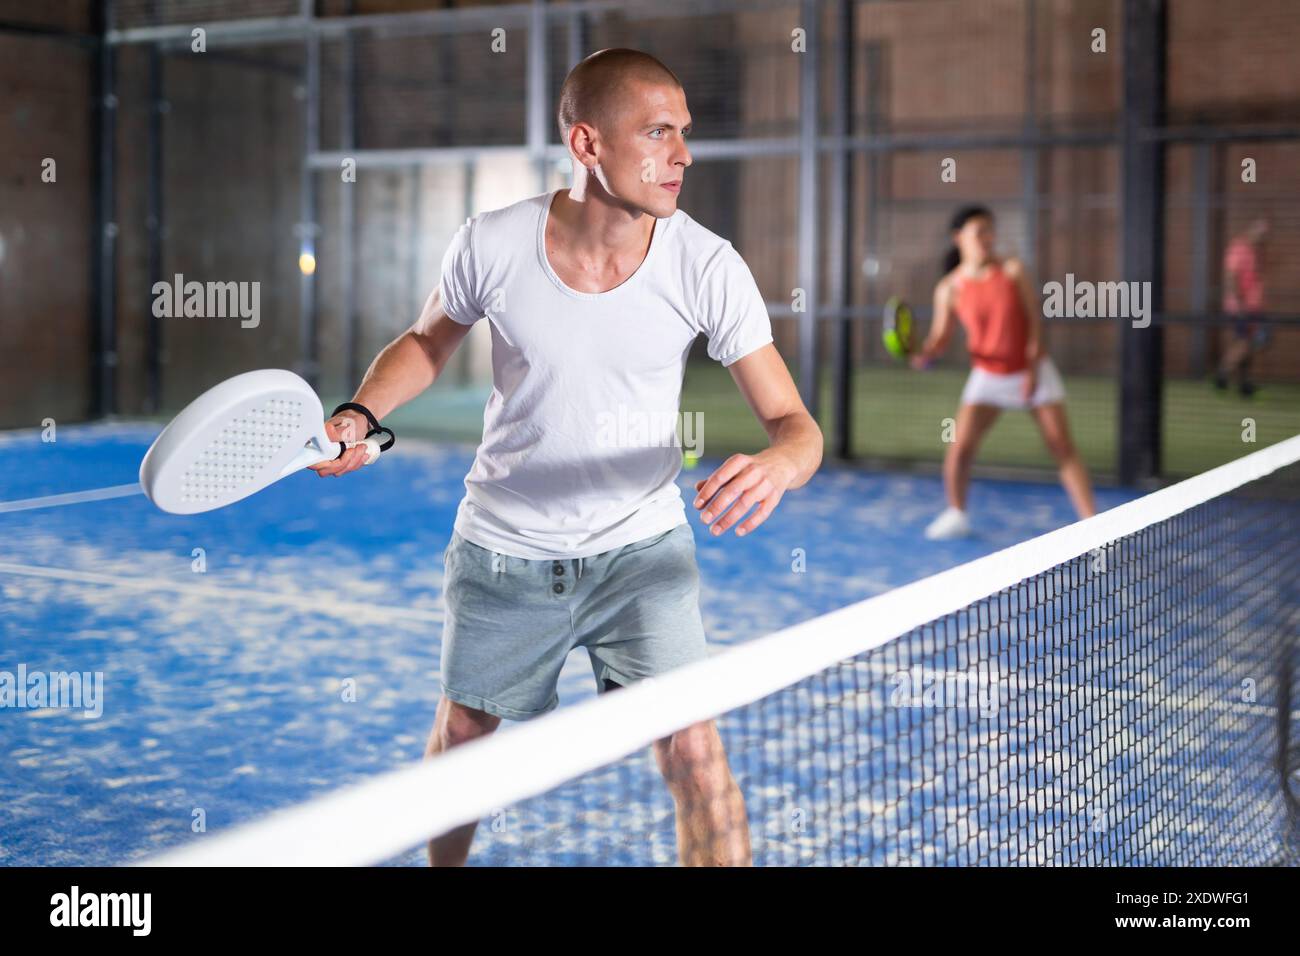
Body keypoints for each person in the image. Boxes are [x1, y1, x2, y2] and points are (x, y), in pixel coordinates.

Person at [310, 49, 823, 866]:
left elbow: (796, 422)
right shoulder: (492, 243)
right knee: (466, 739)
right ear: (588, 145)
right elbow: (424, 342)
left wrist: (781, 464)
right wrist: (362, 411)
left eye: (685, 133)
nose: (683, 155)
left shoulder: (707, 265)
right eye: (658, 133)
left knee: (693, 750)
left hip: (643, 551)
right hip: (505, 547)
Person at [911, 205, 1095, 540]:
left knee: (1062, 447)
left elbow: (1035, 323)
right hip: (987, 376)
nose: (987, 238)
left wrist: (1032, 372)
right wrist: (926, 354)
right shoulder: (949, 288)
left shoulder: (1012, 271)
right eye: (978, 231)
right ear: (958, 238)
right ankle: (957, 514)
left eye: (990, 231)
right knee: (960, 448)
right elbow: (940, 338)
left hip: (1031, 370)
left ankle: (1093, 524)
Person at [1215, 218, 1269, 397]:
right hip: (1242, 307)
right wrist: (1238, 303)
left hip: (1254, 306)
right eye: (1261, 233)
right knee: (1245, 342)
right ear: (1252, 228)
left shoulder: (1256, 250)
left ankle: (1244, 383)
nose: (1263, 237)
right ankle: (1222, 374)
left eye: (1265, 234)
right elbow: (1231, 276)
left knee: (1249, 342)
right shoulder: (1238, 247)